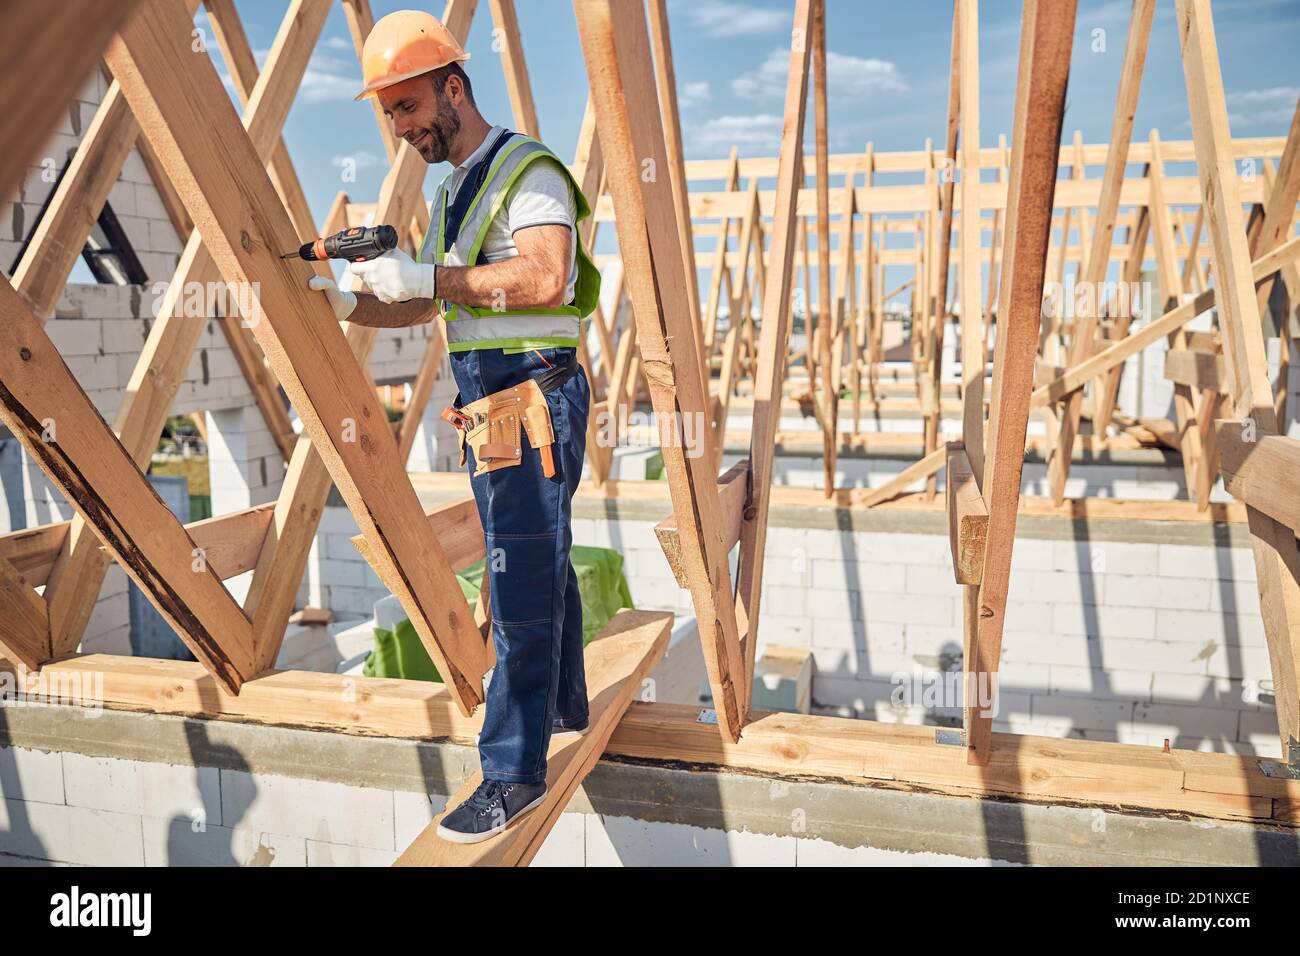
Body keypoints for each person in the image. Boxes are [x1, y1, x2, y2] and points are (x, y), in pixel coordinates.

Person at [307, 10, 599, 843]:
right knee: (543, 558)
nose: (400, 128)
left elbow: (545, 278)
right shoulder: (452, 189)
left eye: (407, 108)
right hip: (496, 407)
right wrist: (352, 302)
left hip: (533, 399)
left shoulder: (527, 171)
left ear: (454, 87)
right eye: (390, 114)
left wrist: (428, 272)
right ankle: (565, 705)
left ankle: (513, 774)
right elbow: (430, 301)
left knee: (517, 586)